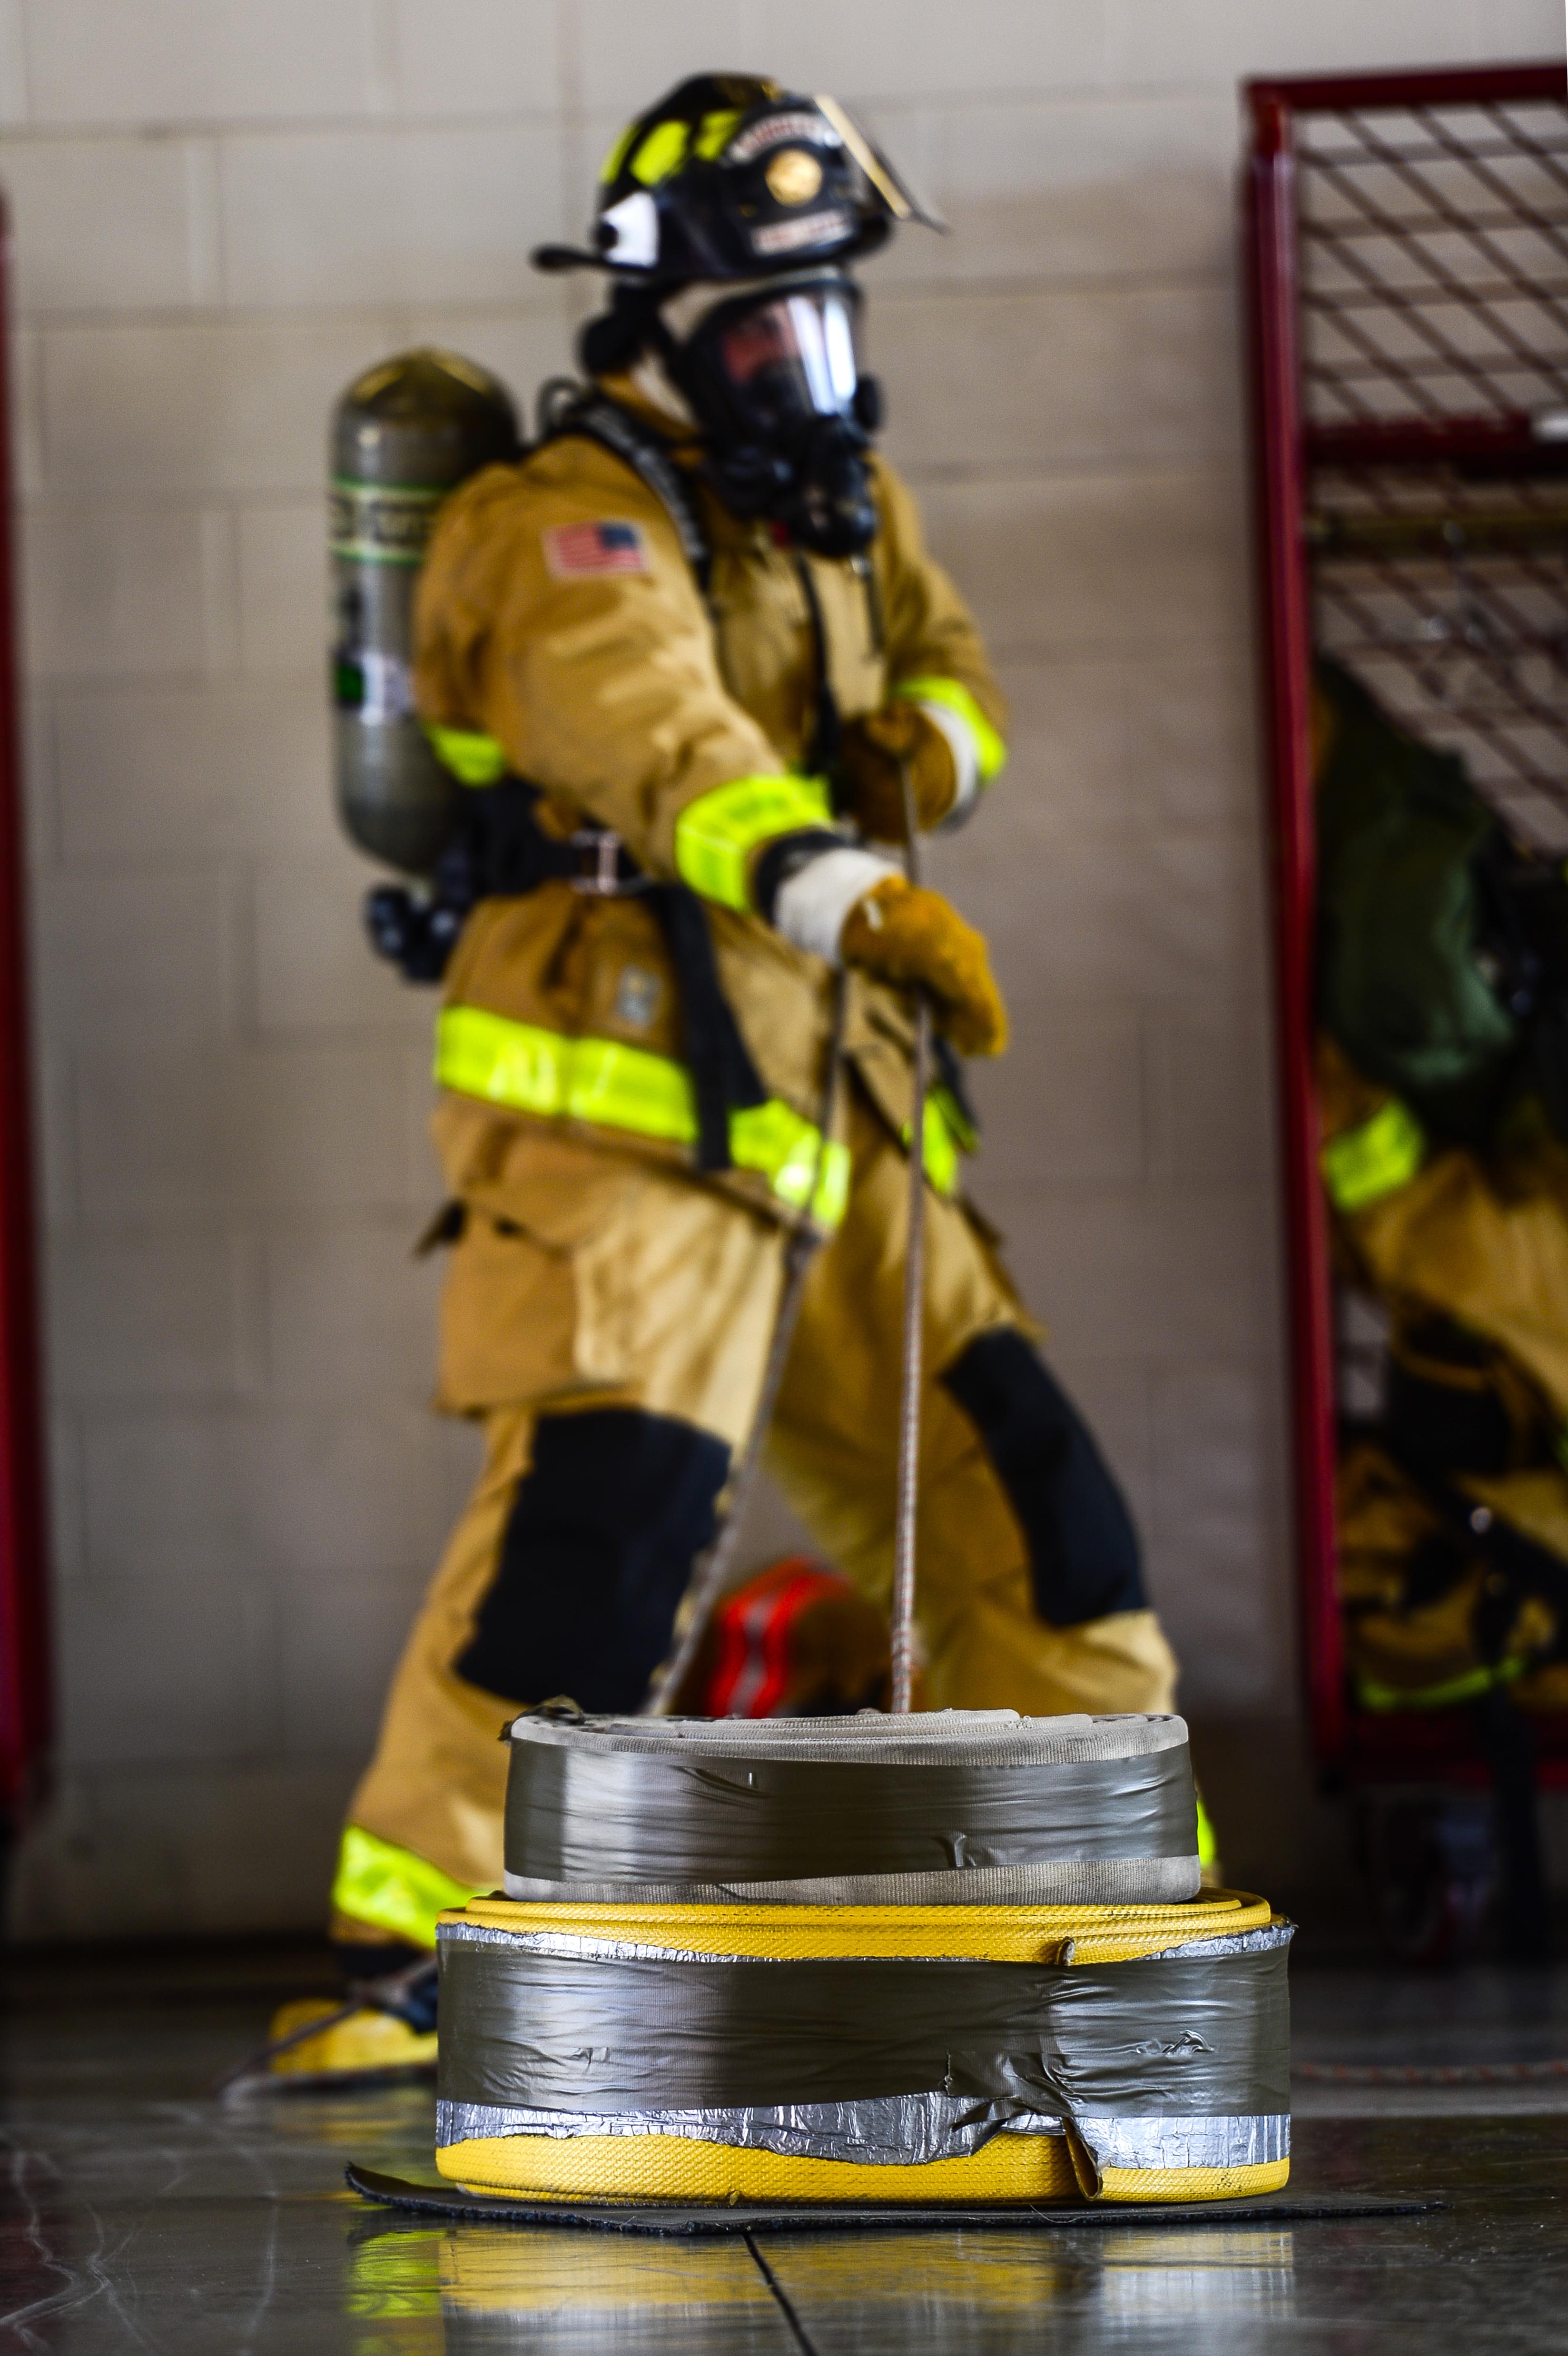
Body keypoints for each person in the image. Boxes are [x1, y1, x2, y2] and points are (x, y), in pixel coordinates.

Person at [278, 75, 1182, 2073]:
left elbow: (949, 665)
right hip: (631, 1107)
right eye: (763, 329)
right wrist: (844, 882)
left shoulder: (837, 503)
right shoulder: (560, 521)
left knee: (1030, 1493)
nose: (806, 366)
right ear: (656, 328)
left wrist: (926, 753)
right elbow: (653, 732)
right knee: (600, 1529)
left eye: (826, 318)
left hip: (836, 1102)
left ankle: (1113, 1874)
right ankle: (419, 1958)